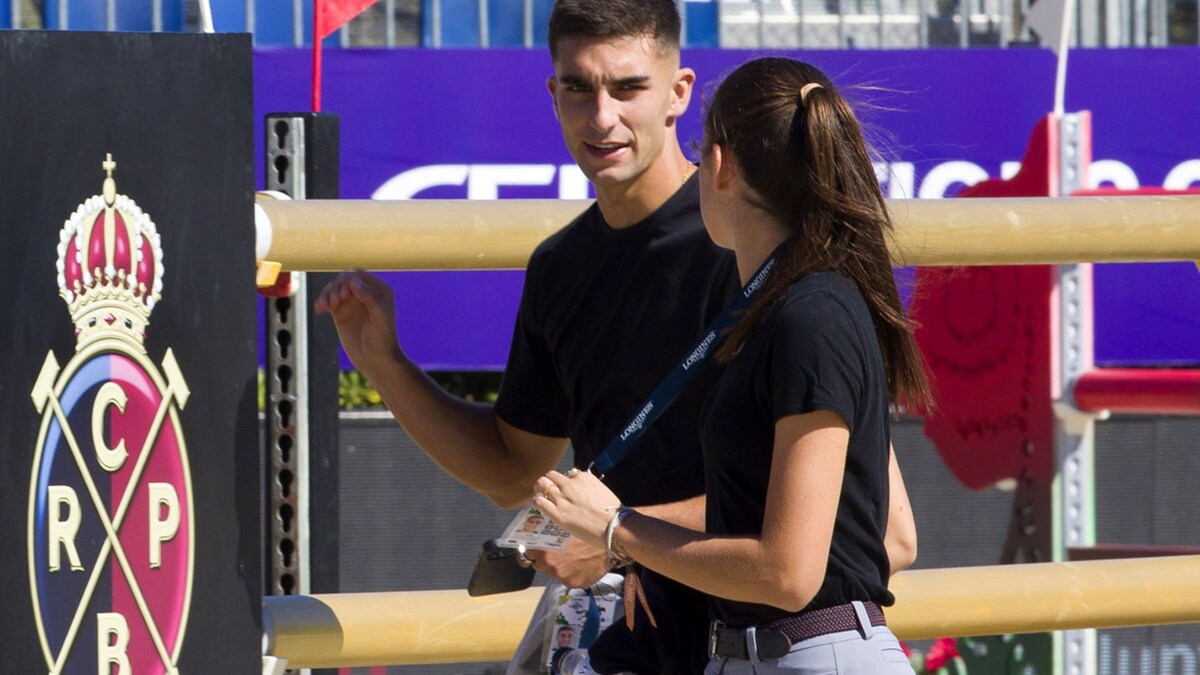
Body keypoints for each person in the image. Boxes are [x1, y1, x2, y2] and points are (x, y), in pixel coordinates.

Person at [315, 1, 739, 672]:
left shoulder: (747, 245)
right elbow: (511, 469)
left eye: (628, 87)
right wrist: (385, 363)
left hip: (751, 638)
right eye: (579, 88)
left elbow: (833, 502)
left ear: (678, 93)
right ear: (554, 94)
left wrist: (619, 535)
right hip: (623, 638)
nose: (602, 117)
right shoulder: (560, 266)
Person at [533, 57, 928, 674]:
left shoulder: (809, 315)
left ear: (718, 166)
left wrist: (615, 529)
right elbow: (894, 533)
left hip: (805, 653)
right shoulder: (805, 308)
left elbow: (789, 574)